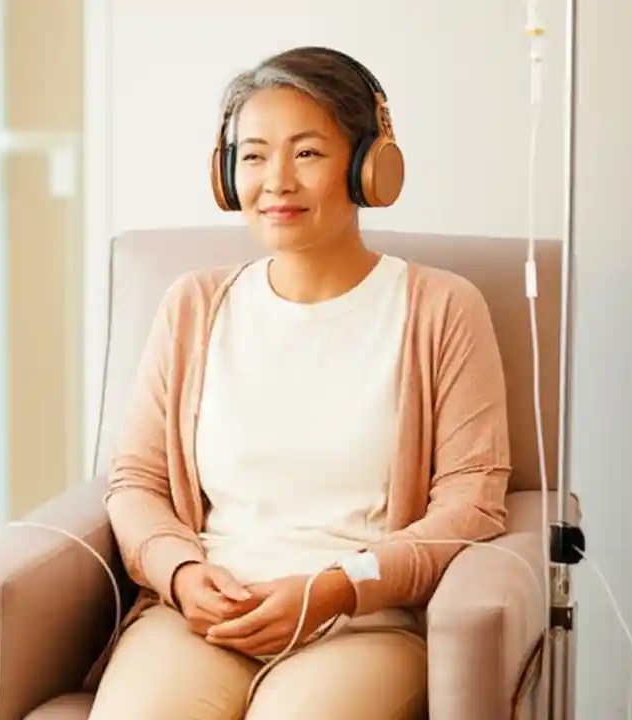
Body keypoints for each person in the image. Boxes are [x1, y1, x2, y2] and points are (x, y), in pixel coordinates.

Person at [87, 46, 512, 719]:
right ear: (226, 175)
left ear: (370, 168)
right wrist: (182, 573)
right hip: (202, 616)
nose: (275, 180)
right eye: (253, 155)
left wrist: (339, 588)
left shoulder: (441, 308)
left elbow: (473, 503)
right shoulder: (192, 304)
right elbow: (136, 480)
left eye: (307, 153)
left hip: (360, 624)